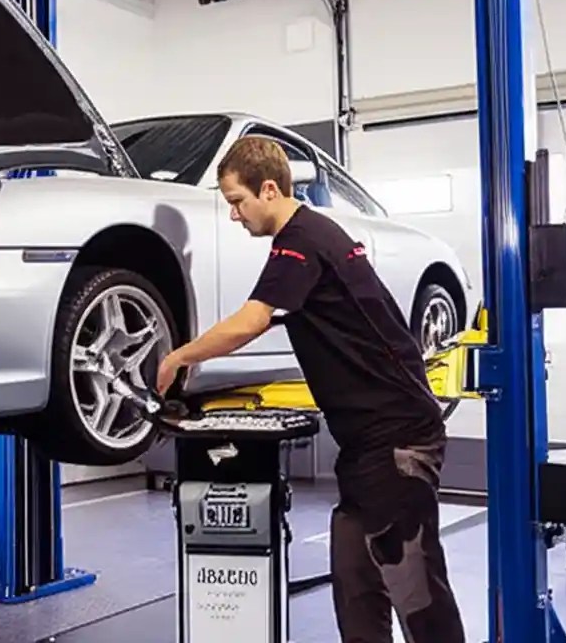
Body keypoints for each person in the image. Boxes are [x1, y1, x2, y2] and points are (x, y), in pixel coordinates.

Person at [155, 137, 467, 643]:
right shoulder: (306, 237)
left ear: (270, 189)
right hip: (366, 444)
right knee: (354, 582)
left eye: (237, 201)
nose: (234, 216)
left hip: (398, 439)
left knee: (415, 587)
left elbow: (252, 320)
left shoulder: (302, 239)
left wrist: (179, 356)